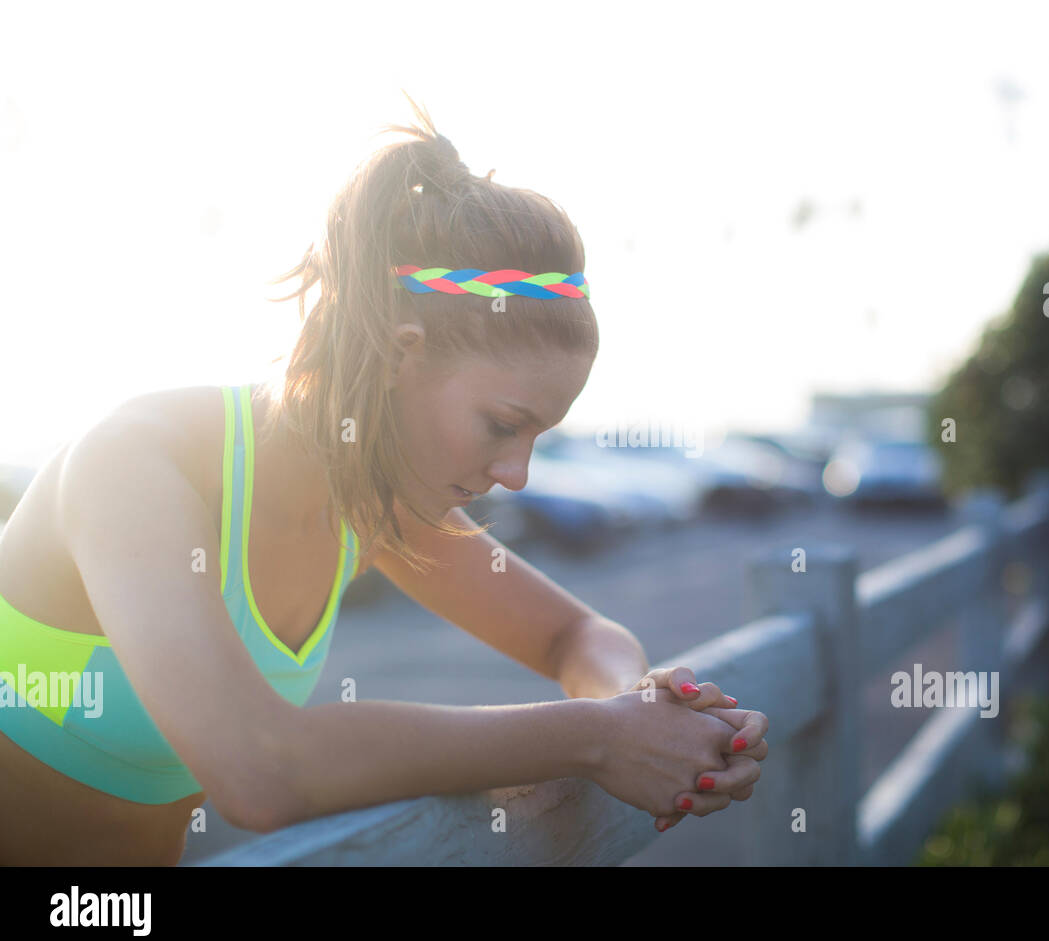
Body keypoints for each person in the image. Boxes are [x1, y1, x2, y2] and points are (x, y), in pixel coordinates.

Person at [0, 96, 768, 865]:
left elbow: (577, 636)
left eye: (538, 437)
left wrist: (637, 708)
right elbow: (258, 768)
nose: (518, 474)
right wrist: (596, 738)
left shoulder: (370, 502)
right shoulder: (133, 465)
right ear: (403, 352)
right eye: (503, 424)